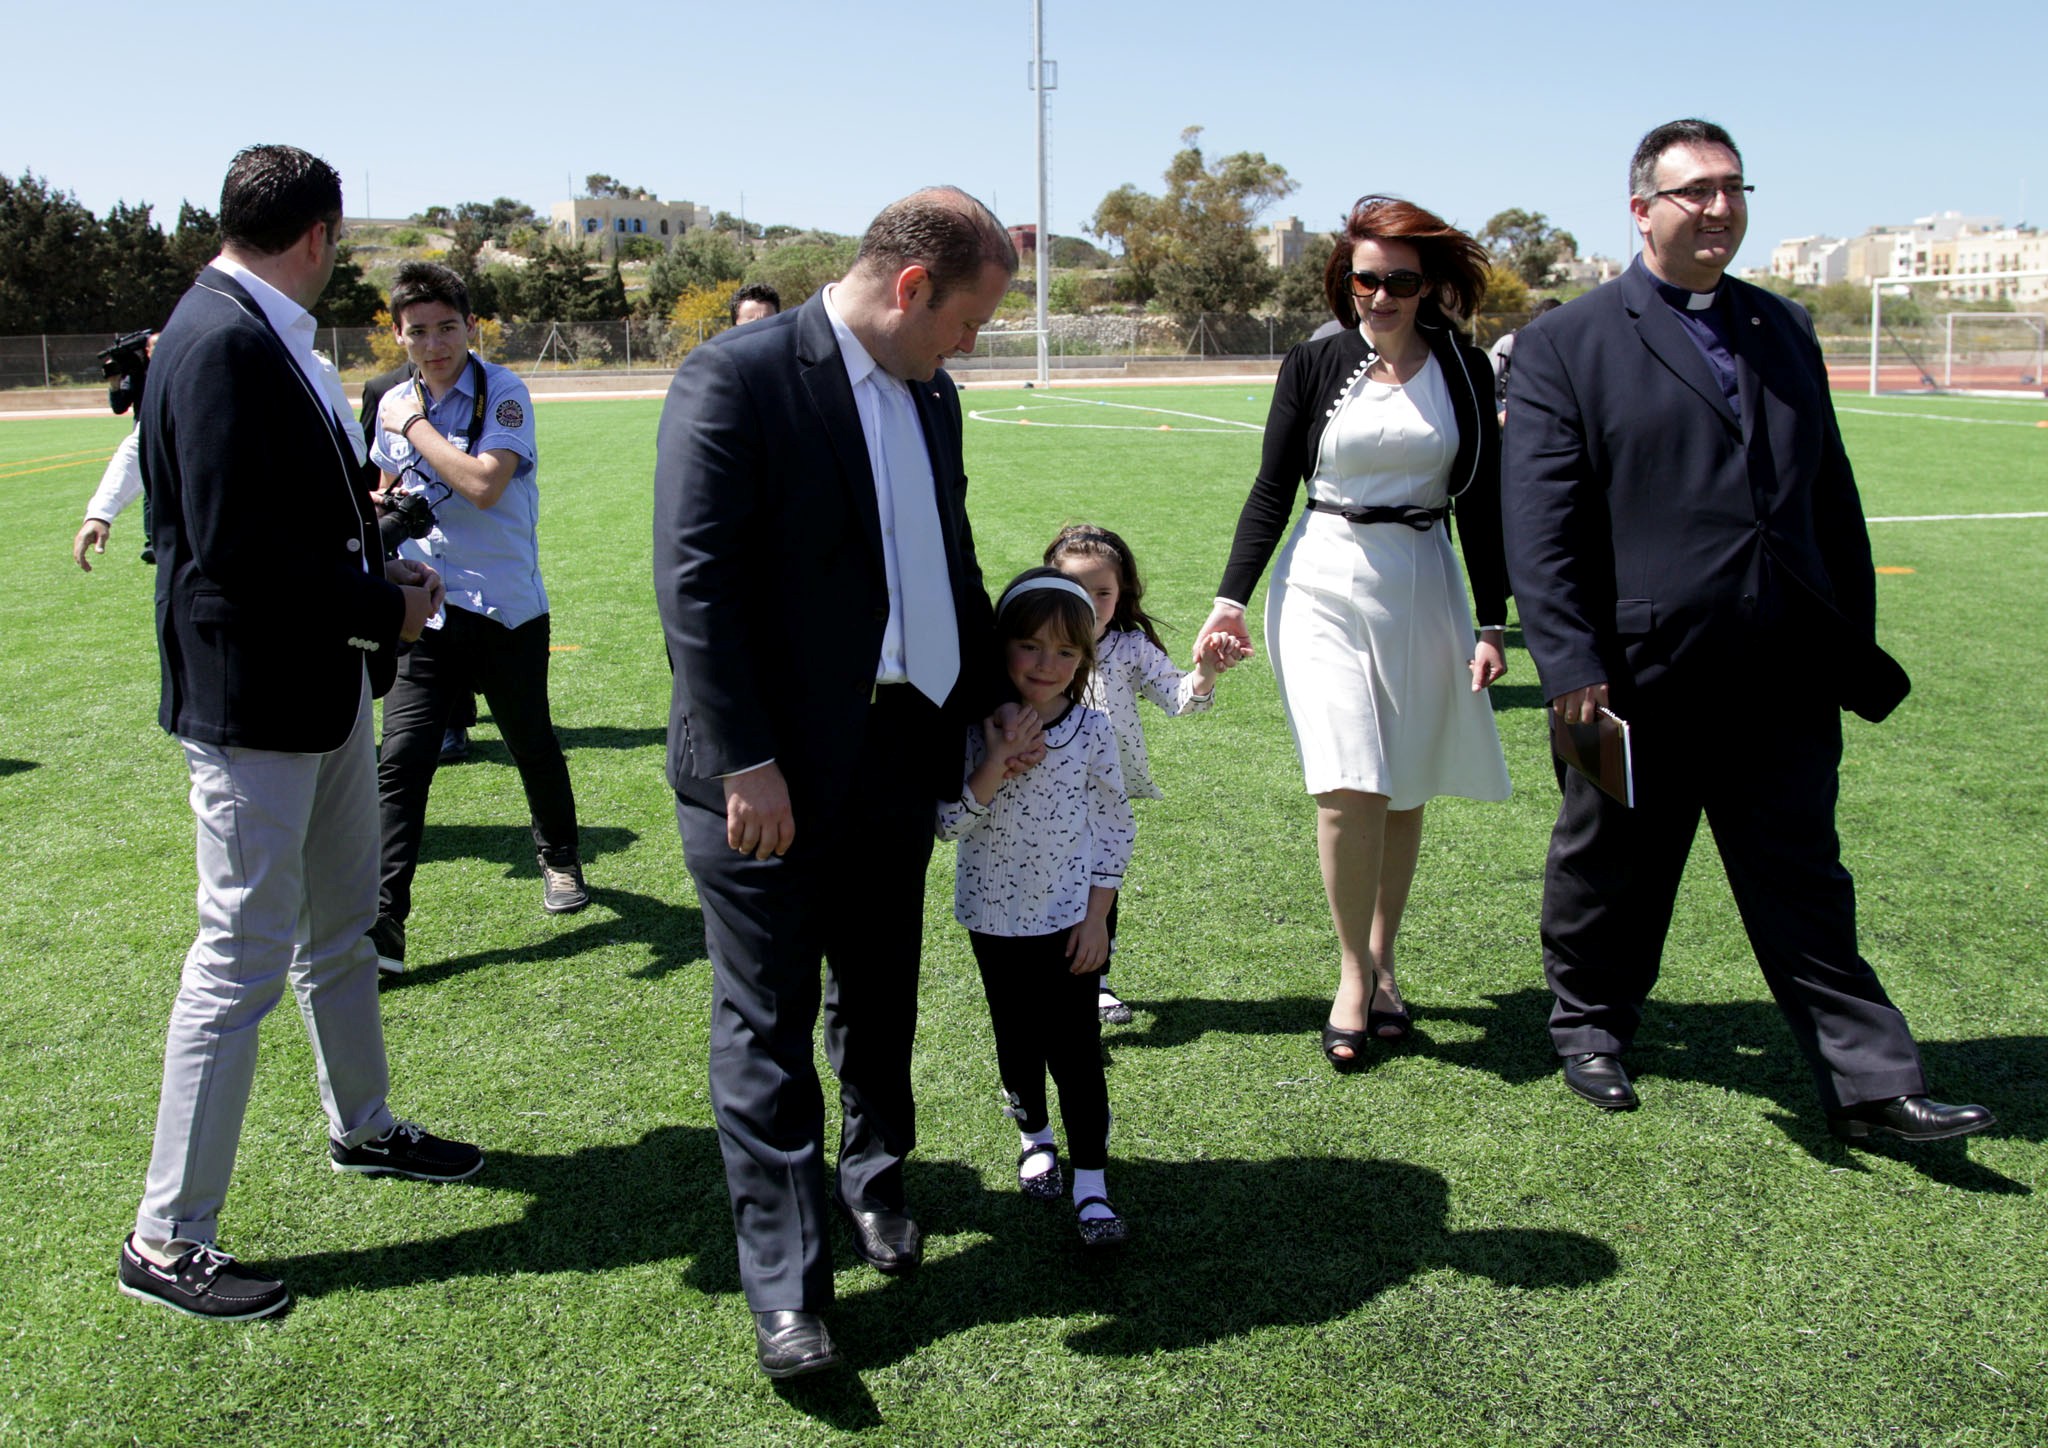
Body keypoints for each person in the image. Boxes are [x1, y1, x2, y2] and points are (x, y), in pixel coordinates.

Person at [1500, 118, 1993, 1143]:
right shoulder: (1566, 342)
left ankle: (1870, 1085)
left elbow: (1826, 498)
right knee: (1604, 861)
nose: (1719, 207)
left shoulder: (1784, 328)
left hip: (1779, 673)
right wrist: (1568, 663)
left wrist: (1842, 638)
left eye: (1732, 187)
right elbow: (1538, 524)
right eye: (1694, 191)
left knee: (1802, 875)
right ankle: (1587, 1026)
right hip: (1621, 677)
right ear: (1641, 209)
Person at [652, 187, 1026, 1379]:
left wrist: (987, 704)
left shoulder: (932, 395)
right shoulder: (738, 378)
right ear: (912, 288)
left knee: (878, 990)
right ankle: (787, 1287)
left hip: (894, 751)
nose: (970, 345)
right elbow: (695, 589)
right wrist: (748, 761)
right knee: (763, 1019)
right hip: (762, 774)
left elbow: (947, 562)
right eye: (967, 319)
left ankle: (876, 1181)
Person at [120, 145, 481, 1323]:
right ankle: (167, 1236)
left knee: (338, 926)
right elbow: (230, 551)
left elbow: (273, 514)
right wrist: (386, 602)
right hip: (254, 700)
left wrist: (365, 536)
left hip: (312, 686)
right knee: (238, 956)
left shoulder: (246, 321)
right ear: (319, 234)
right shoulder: (223, 334)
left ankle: (362, 1125)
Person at [1196, 196, 1512, 1072]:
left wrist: (1493, 620)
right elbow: (1271, 491)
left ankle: (1386, 961)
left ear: (1430, 286)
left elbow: (1483, 501)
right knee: (1347, 782)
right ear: (1347, 280)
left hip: (1422, 581)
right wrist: (1228, 599)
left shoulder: (1465, 367)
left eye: (1399, 281)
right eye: (1365, 278)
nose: (1379, 295)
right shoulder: (1314, 360)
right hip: (1323, 578)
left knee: (1402, 787)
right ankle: (1349, 975)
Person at [366, 262, 588, 976]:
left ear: (471, 328)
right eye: (418, 331)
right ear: (399, 335)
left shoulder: (503, 392)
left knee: (532, 744)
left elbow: (485, 485)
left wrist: (418, 427)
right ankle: (383, 923)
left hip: (505, 609)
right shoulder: (390, 402)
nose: (434, 344)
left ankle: (559, 857)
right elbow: (388, 485)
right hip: (423, 612)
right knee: (400, 762)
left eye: (447, 328)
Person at [938, 569, 1137, 1246]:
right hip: (993, 921)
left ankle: (1092, 1183)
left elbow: (1115, 827)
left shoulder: (1092, 730)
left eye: (1064, 653)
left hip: (1069, 923)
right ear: (1002, 648)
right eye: (1029, 646)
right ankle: (1035, 1139)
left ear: (1083, 660)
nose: (1045, 665)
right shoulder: (974, 728)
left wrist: (1096, 918)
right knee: (1017, 1041)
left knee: (1078, 1052)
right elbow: (947, 825)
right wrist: (993, 761)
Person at [1044, 523, 1242, 1023]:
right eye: (1075, 590)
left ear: (1122, 593)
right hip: (1043, 787)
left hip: (1108, 789)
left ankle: (1096, 980)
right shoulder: (1038, 644)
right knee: (1050, 877)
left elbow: (1180, 699)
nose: (1090, 603)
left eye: (1103, 592)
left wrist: (1207, 671)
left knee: (1101, 879)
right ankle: (1045, 977)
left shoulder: (1130, 648)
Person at [72, 331, 155, 571]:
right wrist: (100, 514)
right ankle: (153, 540)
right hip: (148, 431)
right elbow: (120, 407)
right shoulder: (137, 374)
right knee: (151, 488)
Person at [1488, 297, 1561, 427]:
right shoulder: (1509, 344)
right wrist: (1501, 411)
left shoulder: (1563, 352)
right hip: (1508, 423)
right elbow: (1485, 387)